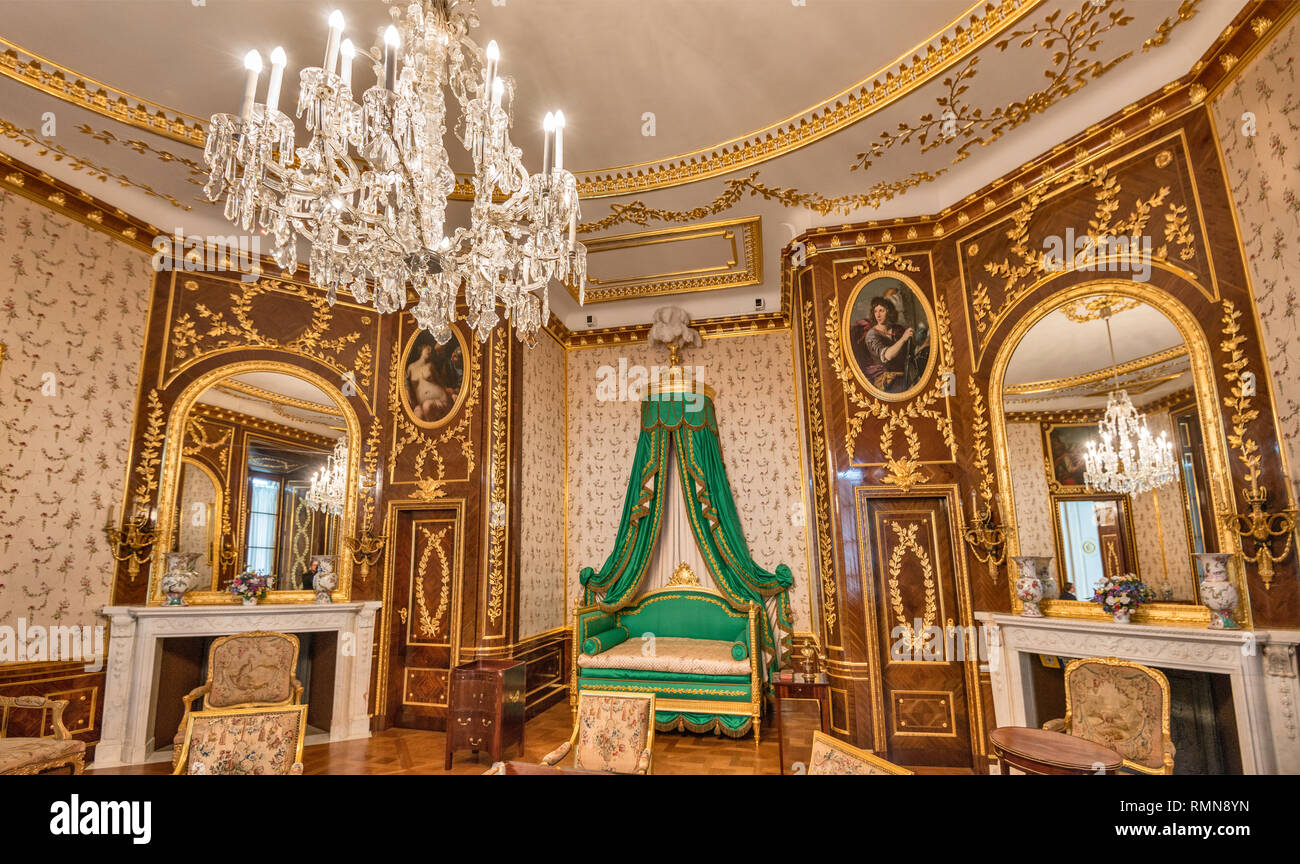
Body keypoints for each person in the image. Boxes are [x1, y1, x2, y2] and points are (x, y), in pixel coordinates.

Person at [852, 296, 923, 393]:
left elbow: (912, 351)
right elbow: (887, 356)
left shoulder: (898, 330)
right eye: (875, 311)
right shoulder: (872, 335)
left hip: (905, 377)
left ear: (889, 312)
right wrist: (903, 338)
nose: (878, 315)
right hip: (887, 381)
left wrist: (925, 342)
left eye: (881, 310)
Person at [406, 342, 456, 422]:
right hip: (422, 403)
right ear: (422, 349)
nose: (430, 351)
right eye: (428, 349)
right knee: (417, 414)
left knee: (427, 406)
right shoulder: (411, 367)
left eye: (431, 351)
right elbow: (406, 385)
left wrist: (451, 393)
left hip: (440, 398)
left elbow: (440, 382)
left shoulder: (430, 365)